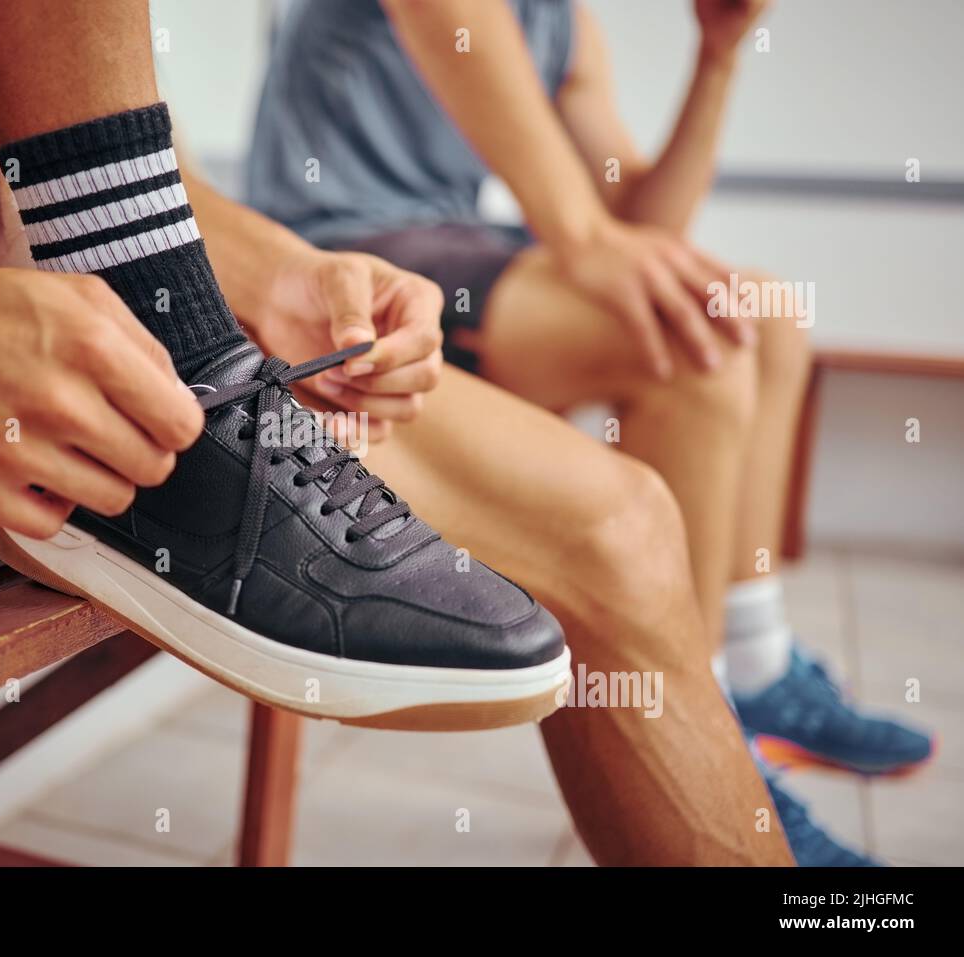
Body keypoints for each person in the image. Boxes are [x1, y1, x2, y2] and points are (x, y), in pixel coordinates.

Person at [0, 0, 790, 864]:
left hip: (52, 339)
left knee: (621, 523)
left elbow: (125, 177)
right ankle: (172, 352)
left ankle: (752, 734)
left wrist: (283, 273)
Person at [246, 0, 931, 845]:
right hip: (334, 253)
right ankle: (717, 736)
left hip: (462, 244)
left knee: (767, 317)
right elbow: (586, 234)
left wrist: (718, 57)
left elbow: (639, 224)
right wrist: (584, 236)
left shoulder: (565, 25)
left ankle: (755, 661)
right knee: (694, 352)